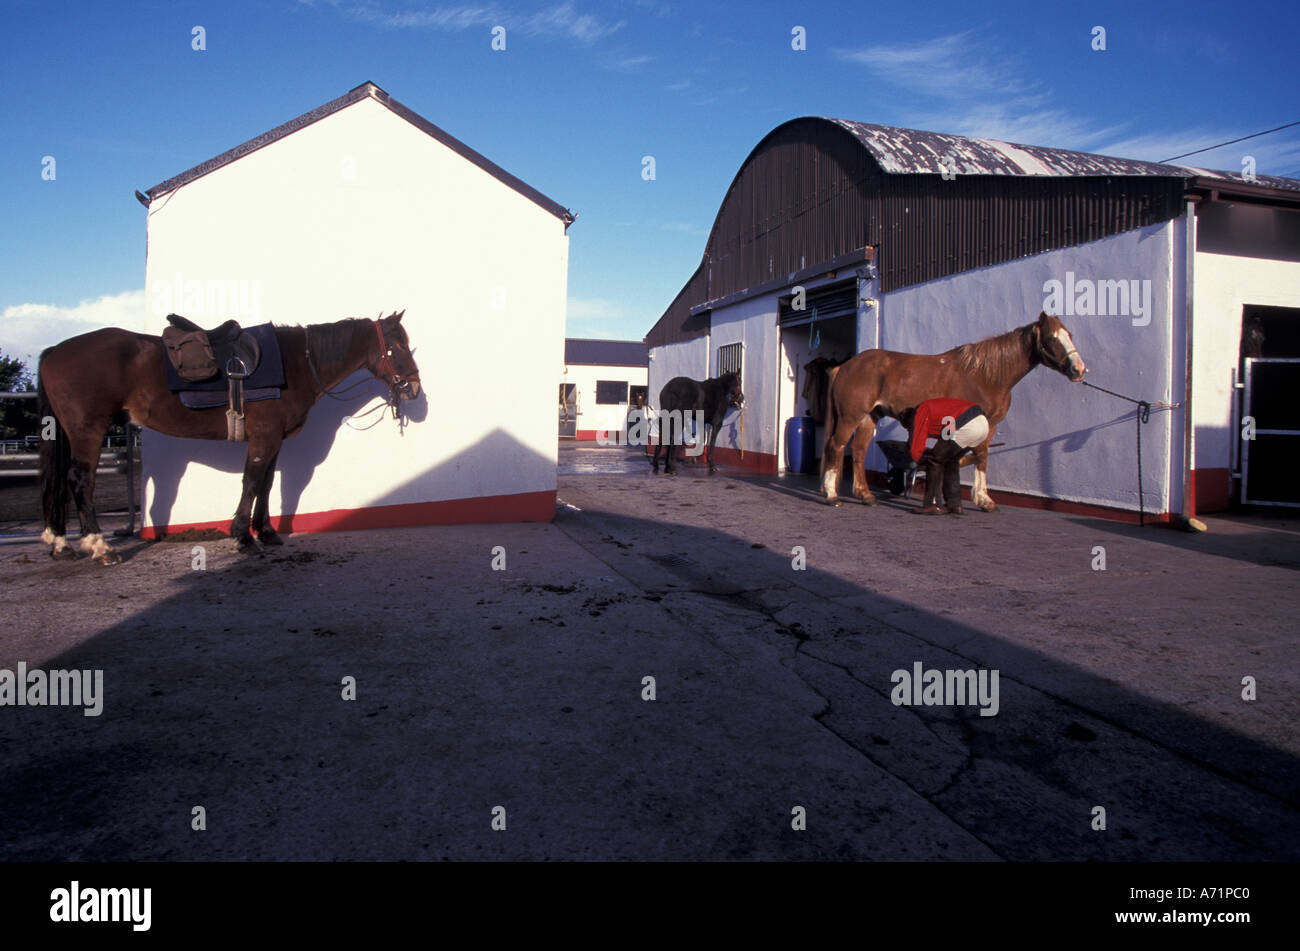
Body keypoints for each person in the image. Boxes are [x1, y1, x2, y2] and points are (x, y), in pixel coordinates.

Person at [902, 398, 990, 516]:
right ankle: (954, 505)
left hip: (967, 425)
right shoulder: (937, 413)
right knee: (951, 461)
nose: (909, 430)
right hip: (982, 425)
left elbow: (916, 440)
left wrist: (916, 459)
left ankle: (930, 505)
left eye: (908, 428)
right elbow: (945, 437)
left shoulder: (919, 411)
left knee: (934, 461)